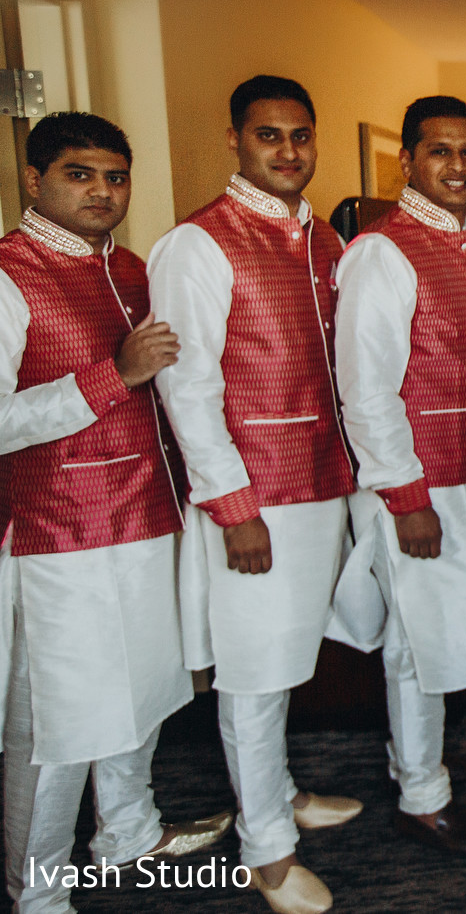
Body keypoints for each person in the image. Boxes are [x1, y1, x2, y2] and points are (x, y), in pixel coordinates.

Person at [0, 113, 232, 914]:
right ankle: (37, 892)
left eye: (115, 176)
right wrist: (111, 376)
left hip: (145, 515)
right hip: (55, 535)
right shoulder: (8, 273)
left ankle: (128, 831)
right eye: (79, 174)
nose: (102, 191)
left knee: (144, 690)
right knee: (62, 724)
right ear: (34, 180)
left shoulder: (132, 270)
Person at [149, 76, 362, 914]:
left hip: (320, 479)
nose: (288, 150)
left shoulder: (325, 243)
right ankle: (268, 851)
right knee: (252, 671)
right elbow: (188, 385)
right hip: (254, 494)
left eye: (300, 135)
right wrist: (232, 505)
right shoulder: (199, 244)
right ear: (235, 138)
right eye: (268, 135)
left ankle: (273, 791)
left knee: (288, 659)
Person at [334, 95, 466, 854]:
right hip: (422, 479)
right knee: (420, 639)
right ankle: (421, 793)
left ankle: (424, 751)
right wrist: (406, 496)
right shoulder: (383, 250)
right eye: (439, 151)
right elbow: (366, 388)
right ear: (406, 160)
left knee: (460, 631)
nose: (458, 166)